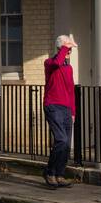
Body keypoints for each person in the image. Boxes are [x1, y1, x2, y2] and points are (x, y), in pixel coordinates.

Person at [43, 36, 76, 189]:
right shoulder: (50, 63)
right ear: (60, 48)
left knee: (67, 144)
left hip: (66, 109)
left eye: (70, 49)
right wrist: (64, 46)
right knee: (61, 139)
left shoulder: (69, 68)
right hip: (53, 106)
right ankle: (50, 172)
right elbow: (57, 62)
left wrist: (73, 112)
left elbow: (71, 92)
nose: (69, 51)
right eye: (67, 49)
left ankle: (60, 175)